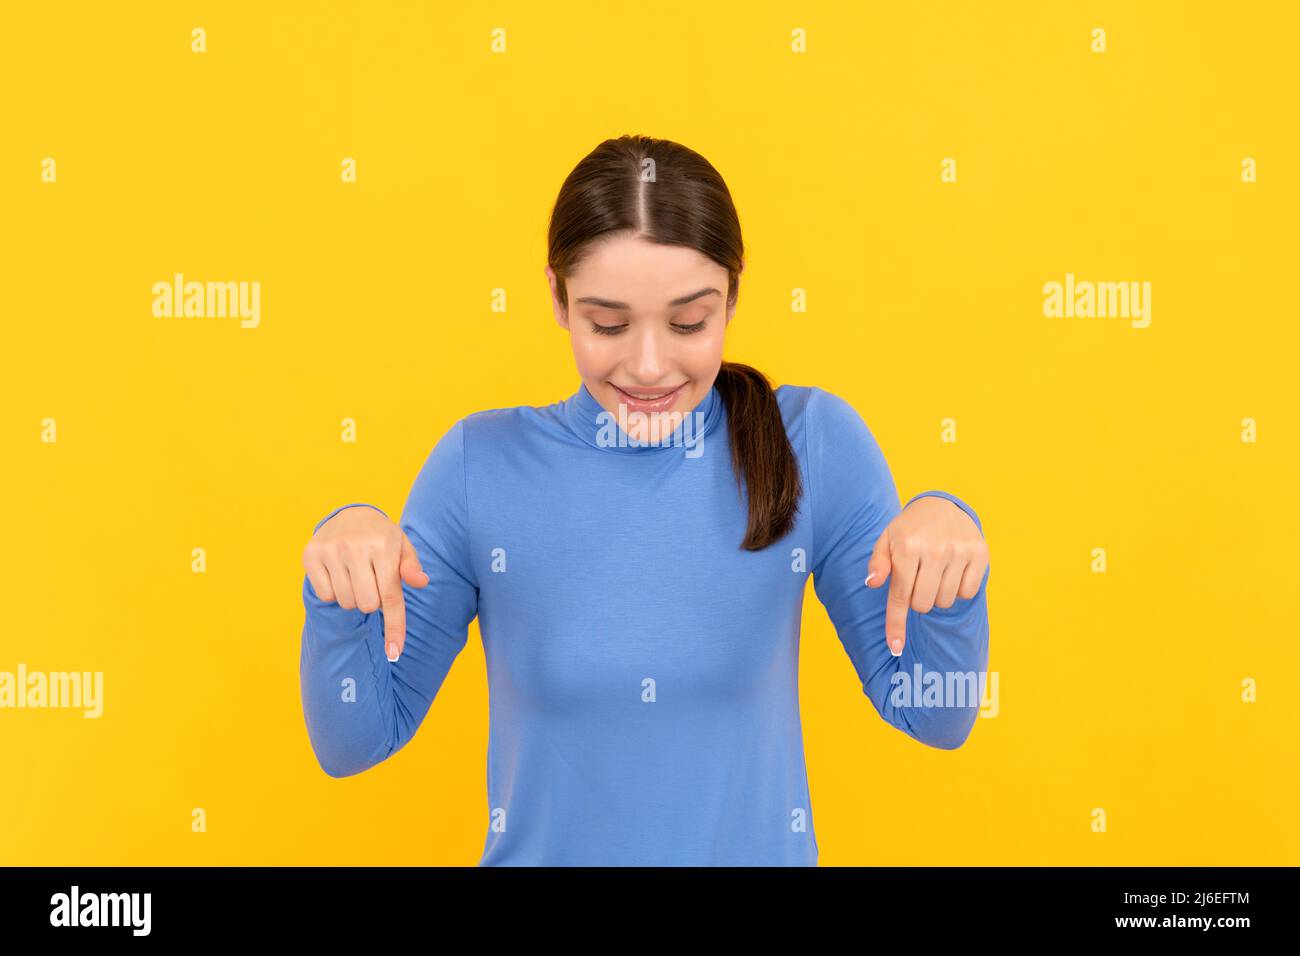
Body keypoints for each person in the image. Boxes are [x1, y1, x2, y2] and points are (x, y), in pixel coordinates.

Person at [299, 134, 991, 866]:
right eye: (609, 324)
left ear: (735, 292)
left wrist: (950, 545)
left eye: (690, 322)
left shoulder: (811, 443)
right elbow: (359, 739)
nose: (651, 365)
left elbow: (933, 714)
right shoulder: (480, 467)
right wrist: (342, 578)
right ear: (558, 299)